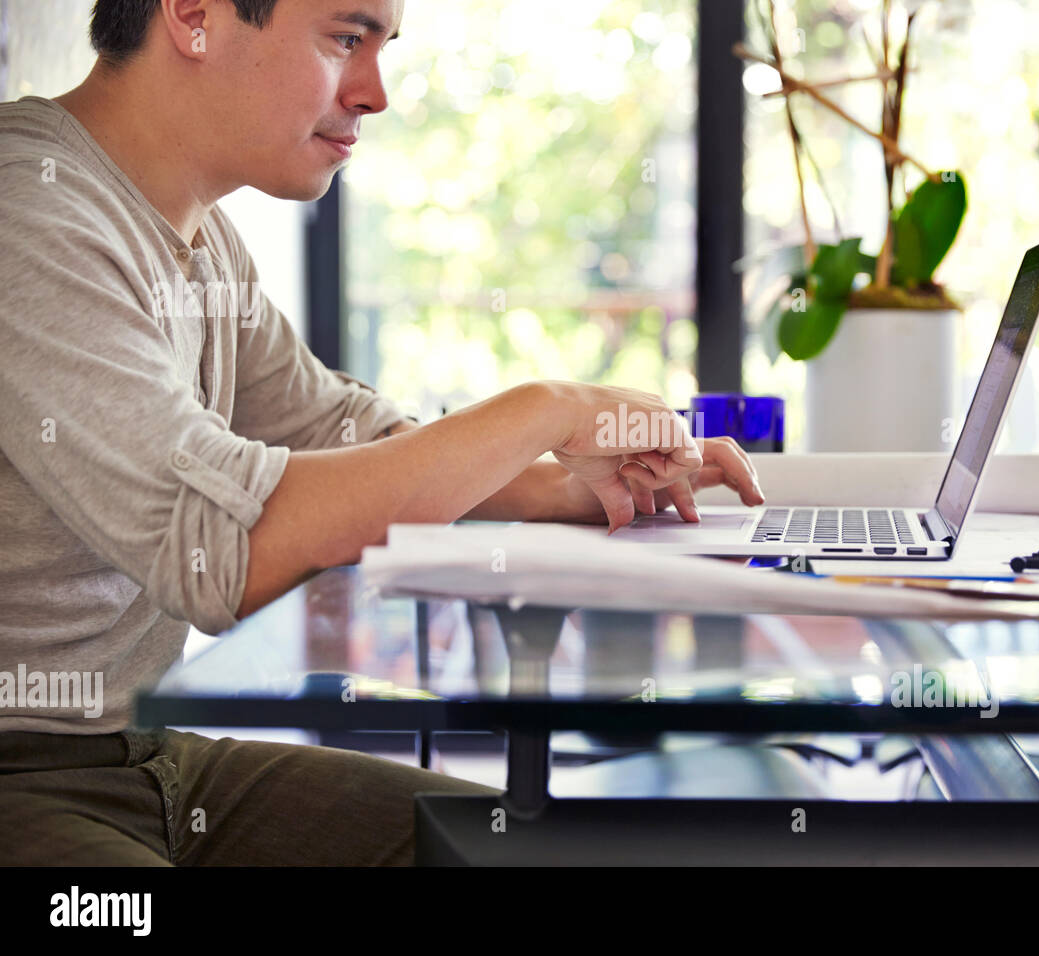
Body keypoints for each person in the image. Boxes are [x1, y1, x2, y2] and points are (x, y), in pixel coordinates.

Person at [0, 0, 764, 865]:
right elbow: (226, 551)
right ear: (194, 14)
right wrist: (548, 405)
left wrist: (573, 489)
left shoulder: (199, 237)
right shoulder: (29, 212)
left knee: (544, 854)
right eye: (345, 38)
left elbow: (333, 427)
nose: (376, 93)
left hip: (150, 761)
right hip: (24, 778)